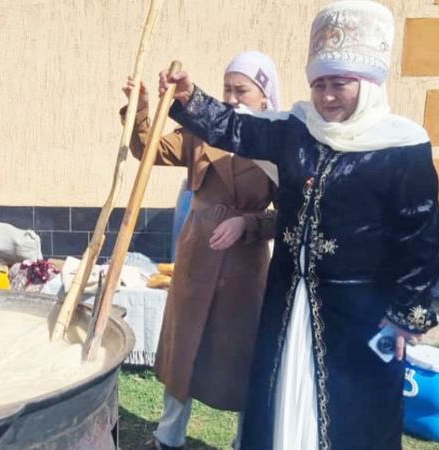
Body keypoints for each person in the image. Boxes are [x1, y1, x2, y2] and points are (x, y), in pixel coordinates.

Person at [160, 1, 439, 449]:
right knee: (281, 404)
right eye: (319, 85)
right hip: (288, 305)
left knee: (352, 415)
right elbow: (235, 129)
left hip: (359, 316)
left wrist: (409, 314)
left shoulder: (402, 146)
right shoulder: (296, 130)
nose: (327, 97)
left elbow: (422, 237)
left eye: (340, 84)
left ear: (367, 84)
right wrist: (189, 97)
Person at [122, 51, 280, 450]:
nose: (230, 97)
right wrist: (142, 107)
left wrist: (248, 224)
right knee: (183, 352)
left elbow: (291, 216)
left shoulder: (277, 143)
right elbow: (148, 149)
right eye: (226, 88)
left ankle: (247, 441)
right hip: (197, 254)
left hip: (243, 269)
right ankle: (167, 437)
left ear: (264, 96)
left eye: (241, 89)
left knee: (240, 356)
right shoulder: (202, 131)